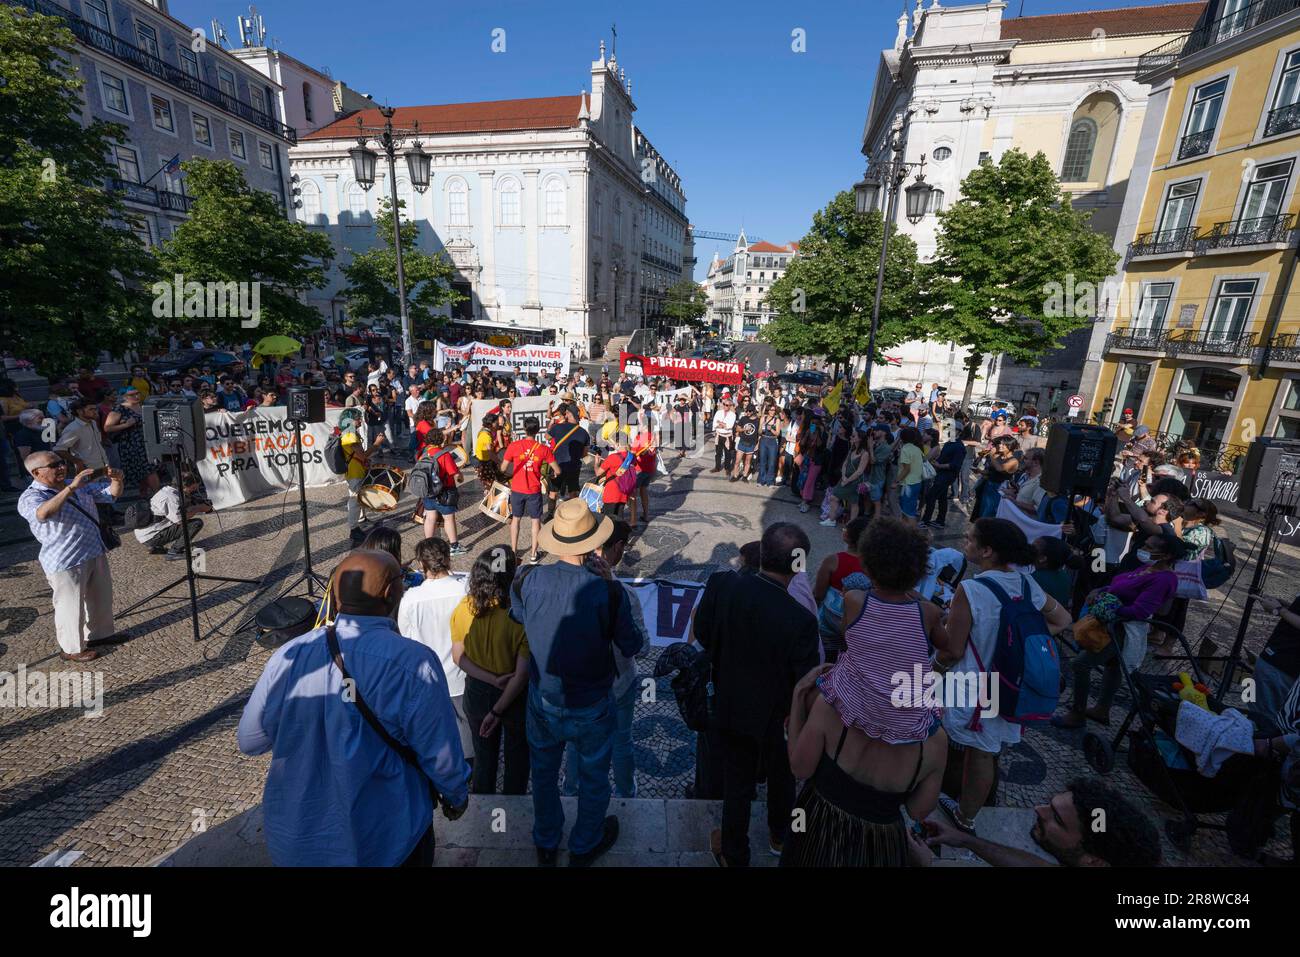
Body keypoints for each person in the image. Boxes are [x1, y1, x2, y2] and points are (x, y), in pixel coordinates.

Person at [238, 549, 470, 866]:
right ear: (392, 593)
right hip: (387, 838)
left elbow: (251, 740)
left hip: (299, 839)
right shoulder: (413, 661)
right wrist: (455, 796)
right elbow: (439, 751)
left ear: (334, 594)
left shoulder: (289, 655)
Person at [510, 500, 641, 866]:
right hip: (592, 703)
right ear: (592, 544)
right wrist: (611, 584)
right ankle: (585, 843)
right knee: (594, 776)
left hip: (543, 697)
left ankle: (547, 839)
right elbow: (632, 645)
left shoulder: (527, 579)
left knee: (545, 773)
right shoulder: (607, 591)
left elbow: (518, 614)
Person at [693, 522, 820, 867]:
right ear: (798, 565)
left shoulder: (722, 585)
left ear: (762, 553)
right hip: (778, 715)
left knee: (737, 782)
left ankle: (734, 853)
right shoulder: (801, 620)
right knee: (782, 776)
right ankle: (781, 835)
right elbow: (805, 680)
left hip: (732, 702)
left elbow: (703, 633)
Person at [938, 518, 1072, 833]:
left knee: (948, 742)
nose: (965, 543)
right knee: (985, 751)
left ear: (987, 550)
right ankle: (966, 816)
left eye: (970, 540)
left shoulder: (970, 589)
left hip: (971, 685)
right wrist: (1020, 645)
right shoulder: (1026, 584)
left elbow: (953, 650)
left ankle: (942, 803)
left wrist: (930, 674)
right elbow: (1063, 619)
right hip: (1008, 682)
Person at [1053, 532, 1185, 729]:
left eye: (1150, 548)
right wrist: (1101, 591)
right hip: (1113, 623)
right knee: (1112, 666)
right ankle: (1102, 709)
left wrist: (1108, 608)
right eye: (1145, 545)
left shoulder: (1163, 578)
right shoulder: (1147, 568)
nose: (1144, 550)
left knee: (1080, 664)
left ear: (1166, 556)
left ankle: (1077, 713)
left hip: (1122, 629)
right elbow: (1121, 585)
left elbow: (1141, 610)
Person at [18, 452, 126, 661]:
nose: (61, 467)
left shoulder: (75, 484)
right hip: (66, 559)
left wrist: (117, 480)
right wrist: (70, 489)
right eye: (53, 465)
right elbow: (42, 514)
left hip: (94, 549)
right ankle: (72, 649)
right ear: (36, 472)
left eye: (61, 462)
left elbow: (110, 494)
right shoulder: (31, 496)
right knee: (70, 605)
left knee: (100, 598)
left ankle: (100, 634)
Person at [915, 778, 1162, 866]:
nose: (1038, 809)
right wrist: (966, 840)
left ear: (1094, 862)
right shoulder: (1088, 859)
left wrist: (925, 864)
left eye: (1056, 818)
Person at [452, 547, 531, 795]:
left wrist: (491, 679)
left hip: (477, 690)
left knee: (484, 757)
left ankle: (482, 808)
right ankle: (514, 809)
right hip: (515, 696)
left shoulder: (464, 607)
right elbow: (521, 675)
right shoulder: (520, 615)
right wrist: (500, 693)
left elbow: (458, 657)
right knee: (517, 758)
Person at [396, 538, 472, 757]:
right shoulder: (466, 589)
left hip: (428, 679)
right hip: (463, 674)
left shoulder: (411, 599)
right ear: (447, 558)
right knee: (468, 735)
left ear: (422, 564)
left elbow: (406, 638)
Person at [134, 463, 211, 561]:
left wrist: (193, 503)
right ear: (184, 486)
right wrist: (199, 508)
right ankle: (174, 551)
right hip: (150, 536)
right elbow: (179, 520)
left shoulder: (167, 490)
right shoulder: (171, 498)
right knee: (196, 523)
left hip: (146, 533)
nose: (194, 492)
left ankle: (156, 547)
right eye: (193, 489)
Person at [417, 428, 466, 556]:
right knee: (449, 518)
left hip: (428, 490)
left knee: (430, 517)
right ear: (441, 440)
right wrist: (461, 476)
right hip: (444, 492)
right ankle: (454, 546)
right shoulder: (444, 455)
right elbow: (455, 474)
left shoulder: (424, 452)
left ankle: (428, 545)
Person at [103, 387, 157, 498]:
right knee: (149, 470)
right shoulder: (119, 409)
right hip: (131, 445)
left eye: (137, 393)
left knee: (145, 472)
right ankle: (159, 495)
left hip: (147, 442)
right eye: (132, 395)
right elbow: (107, 428)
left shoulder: (143, 406)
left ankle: (145, 497)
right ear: (124, 397)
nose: (136, 396)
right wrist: (126, 425)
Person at [338, 409, 380, 534]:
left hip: (356, 469)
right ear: (350, 420)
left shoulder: (350, 433)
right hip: (354, 472)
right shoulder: (349, 435)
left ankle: (361, 519)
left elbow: (358, 456)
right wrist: (376, 444)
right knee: (355, 500)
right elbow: (363, 455)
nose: (361, 421)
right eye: (358, 419)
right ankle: (353, 529)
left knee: (358, 497)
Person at [919, 427, 966, 529]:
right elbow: (942, 458)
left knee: (931, 496)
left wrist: (940, 466)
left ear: (958, 432)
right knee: (942, 498)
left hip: (947, 476)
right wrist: (937, 463)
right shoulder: (949, 443)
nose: (949, 431)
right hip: (941, 474)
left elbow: (955, 465)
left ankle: (925, 521)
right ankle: (940, 521)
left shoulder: (959, 447)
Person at [53, 397, 108, 471]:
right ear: (79, 411)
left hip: (103, 465)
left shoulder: (93, 422)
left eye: (95, 409)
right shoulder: (73, 428)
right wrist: (77, 462)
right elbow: (59, 449)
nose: (95, 412)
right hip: (88, 469)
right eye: (91, 409)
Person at [894, 427, 926, 523]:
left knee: (909, 513)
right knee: (907, 511)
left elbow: (907, 469)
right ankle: (906, 531)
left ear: (902, 438)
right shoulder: (917, 449)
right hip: (917, 482)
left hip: (908, 484)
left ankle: (912, 534)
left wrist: (896, 481)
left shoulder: (905, 449)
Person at [711, 395, 736, 475]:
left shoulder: (733, 415)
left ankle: (727, 468)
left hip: (727, 436)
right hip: (719, 435)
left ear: (730, 406)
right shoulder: (718, 412)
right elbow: (715, 423)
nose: (725, 406)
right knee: (718, 452)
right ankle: (717, 467)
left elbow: (729, 426)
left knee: (727, 453)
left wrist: (720, 423)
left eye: (727, 405)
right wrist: (722, 425)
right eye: (724, 404)